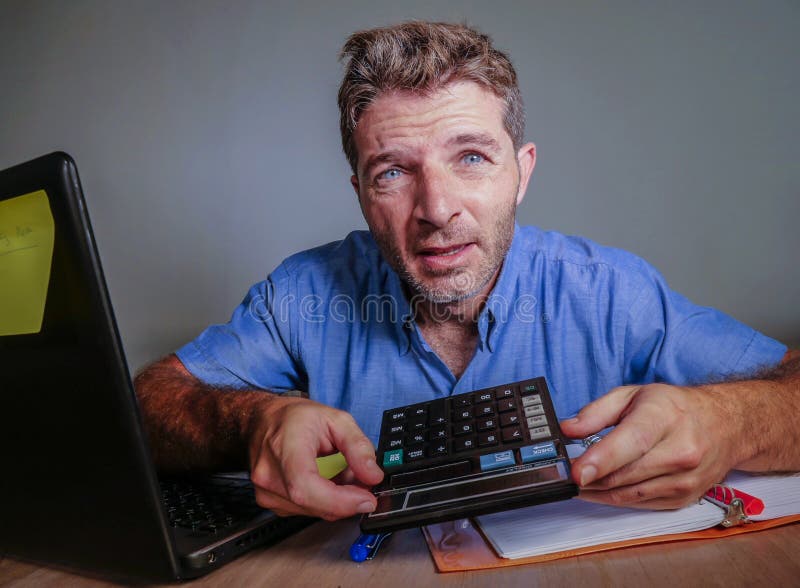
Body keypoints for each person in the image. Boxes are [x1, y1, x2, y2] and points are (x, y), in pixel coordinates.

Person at [134, 21, 799, 522]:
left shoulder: (615, 293)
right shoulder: (302, 294)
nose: (437, 208)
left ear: (523, 171)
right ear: (362, 192)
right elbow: (148, 404)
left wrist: (729, 420)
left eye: (472, 157)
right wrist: (253, 420)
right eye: (392, 172)